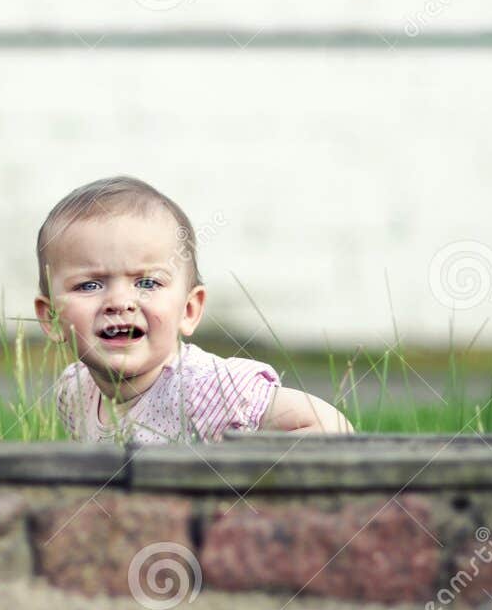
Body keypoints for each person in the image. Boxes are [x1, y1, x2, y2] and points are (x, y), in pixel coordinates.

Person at [35, 176, 354, 443]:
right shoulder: (76, 392)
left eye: (147, 283)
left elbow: (332, 429)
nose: (120, 302)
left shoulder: (203, 387)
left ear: (189, 310)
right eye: (89, 285)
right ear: (51, 318)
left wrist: (242, 487)